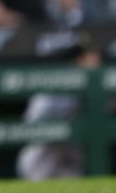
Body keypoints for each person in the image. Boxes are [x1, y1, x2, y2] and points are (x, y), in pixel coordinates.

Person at [16, 43, 101, 179]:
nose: (96, 60)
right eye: (89, 57)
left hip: (69, 154)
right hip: (43, 153)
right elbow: (34, 121)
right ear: (78, 60)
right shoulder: (60, 82)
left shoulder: (94, 82)